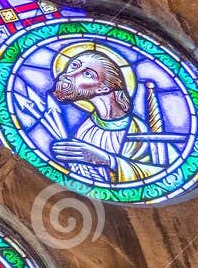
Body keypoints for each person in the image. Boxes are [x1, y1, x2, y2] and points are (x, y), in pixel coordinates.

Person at [48, 43, 179, 186]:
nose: (69, 75)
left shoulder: (138, 130)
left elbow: (172, 177)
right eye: (74, 65)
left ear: (104, 88)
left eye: (87, 74)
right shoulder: (86, 128)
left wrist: (109, 160)